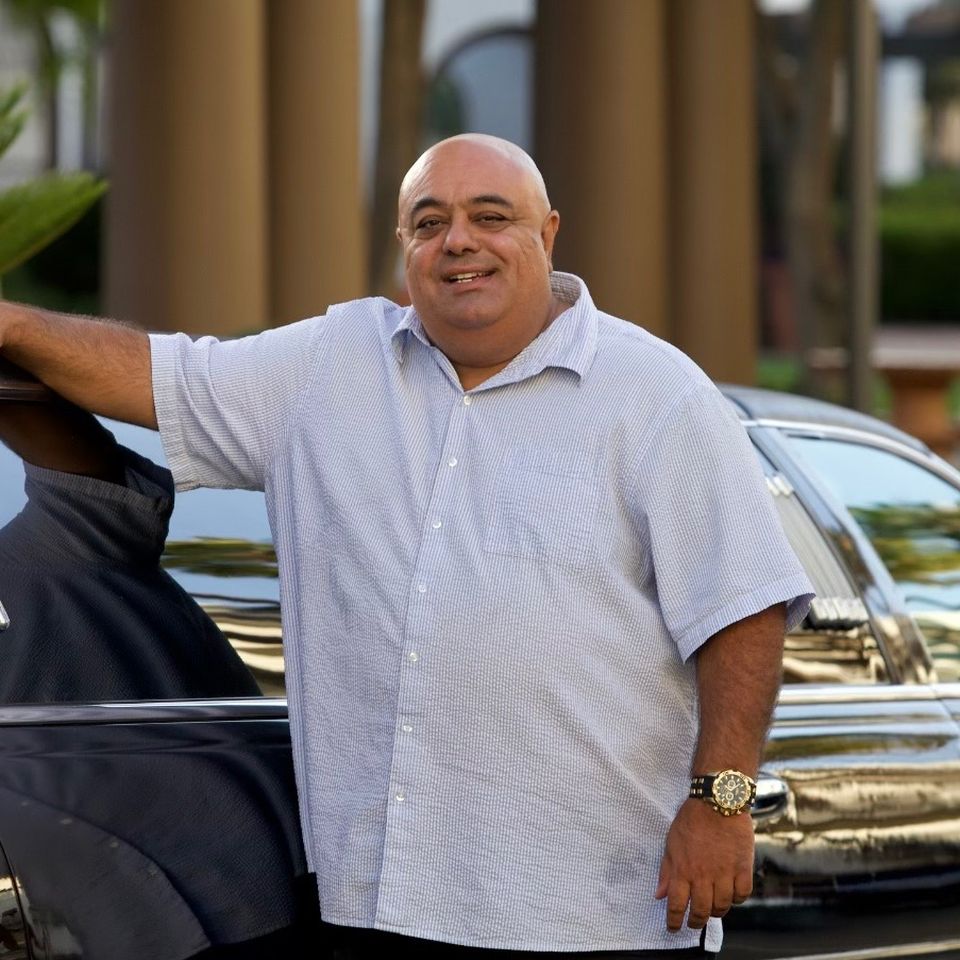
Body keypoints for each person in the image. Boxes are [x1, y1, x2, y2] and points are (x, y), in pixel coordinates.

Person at [0, 133, 813, 957]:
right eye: (429, 223)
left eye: (490, 217)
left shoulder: (656, 395)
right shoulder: (326, 367)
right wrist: (11, 323)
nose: (457, 241)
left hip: (595, 914)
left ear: (548, 234)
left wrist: (720, 802)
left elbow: (741, 608)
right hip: (379, 908)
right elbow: (151, 373)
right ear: (405, 245)